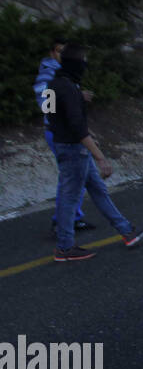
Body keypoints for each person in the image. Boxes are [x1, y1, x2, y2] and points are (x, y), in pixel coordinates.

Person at [45, 44, 143, 261]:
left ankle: (127, 231)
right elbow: (77, 127)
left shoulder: (55, 84)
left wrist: (76, 96)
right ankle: (64, 248)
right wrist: (100, 156)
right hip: (74, 149)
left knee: (98, 190)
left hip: (65, 145)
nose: (85, 65)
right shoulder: (67, 88)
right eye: (83, 61)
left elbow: (51, 113)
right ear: (76, 64)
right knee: (69, 198)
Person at [33, 36, 90, 233]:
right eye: (59, 51)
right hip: (60, 133)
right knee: (70, 177)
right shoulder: (48, 76)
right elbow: (47, 106)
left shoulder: (65, 74)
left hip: (66, 132)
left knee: (75, 177)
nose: (62, 55)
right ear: (52, 53)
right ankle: (64, 221)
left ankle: (72, 217)